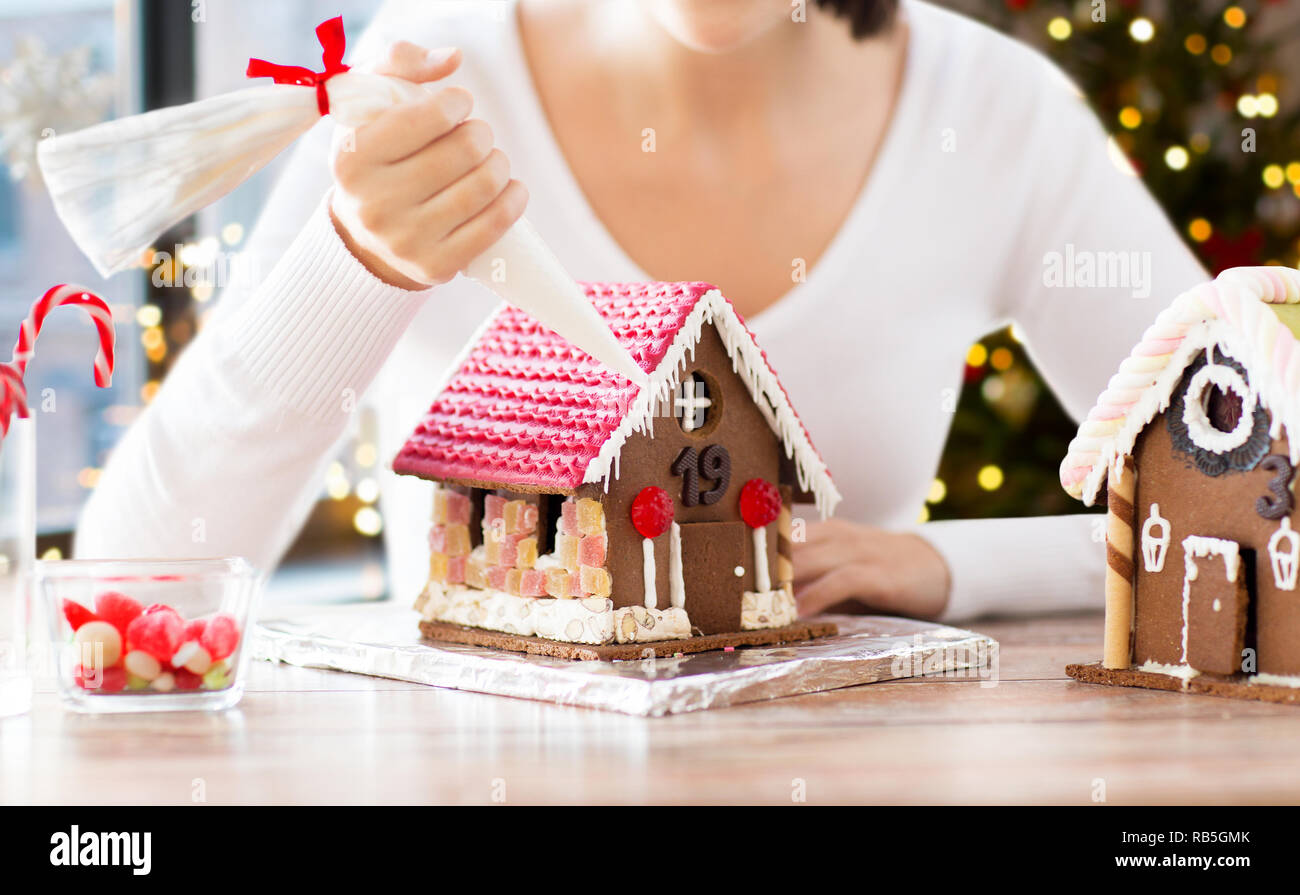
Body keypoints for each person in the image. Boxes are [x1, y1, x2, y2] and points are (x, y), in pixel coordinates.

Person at [76, 0, 1207, 622]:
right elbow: (132, 578)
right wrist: (355, 263)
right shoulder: (426, 80)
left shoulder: (994, 112)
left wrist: (951, 566)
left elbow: (1266, 499)